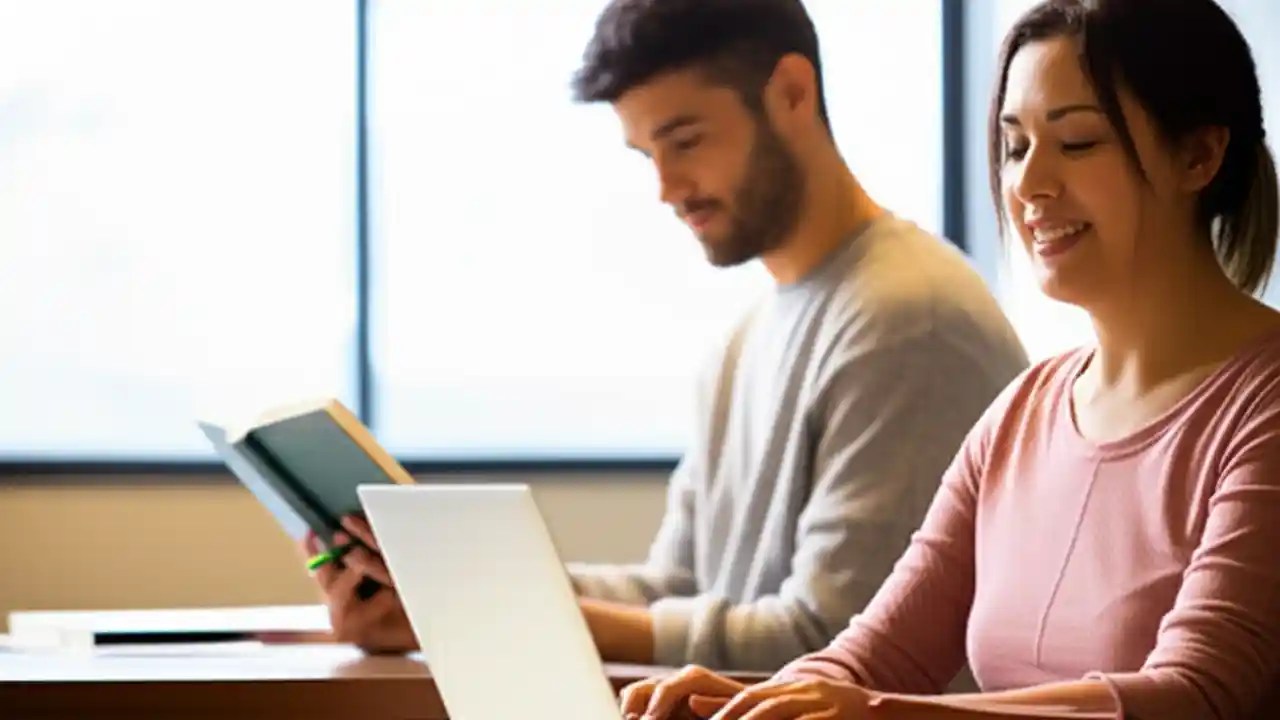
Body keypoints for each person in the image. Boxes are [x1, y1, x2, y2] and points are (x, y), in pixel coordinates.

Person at [306, 0, 1027, 672]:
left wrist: (486, 616)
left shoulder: (908, 318)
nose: (666, 186)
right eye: (646, 155)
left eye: (685, 141)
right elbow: (680, 586)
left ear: (791, 94)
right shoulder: (744, 342)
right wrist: (453, 591)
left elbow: (833, 643)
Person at [619, 0, 1280, 717]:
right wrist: (738, 698)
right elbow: (873, 656)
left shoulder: (1261, 406)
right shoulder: (1022, 414)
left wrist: (882, 713)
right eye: (1016, 146)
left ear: (1199, 156)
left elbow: (1199, 695)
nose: (1030, 185)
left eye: (1079, 142)